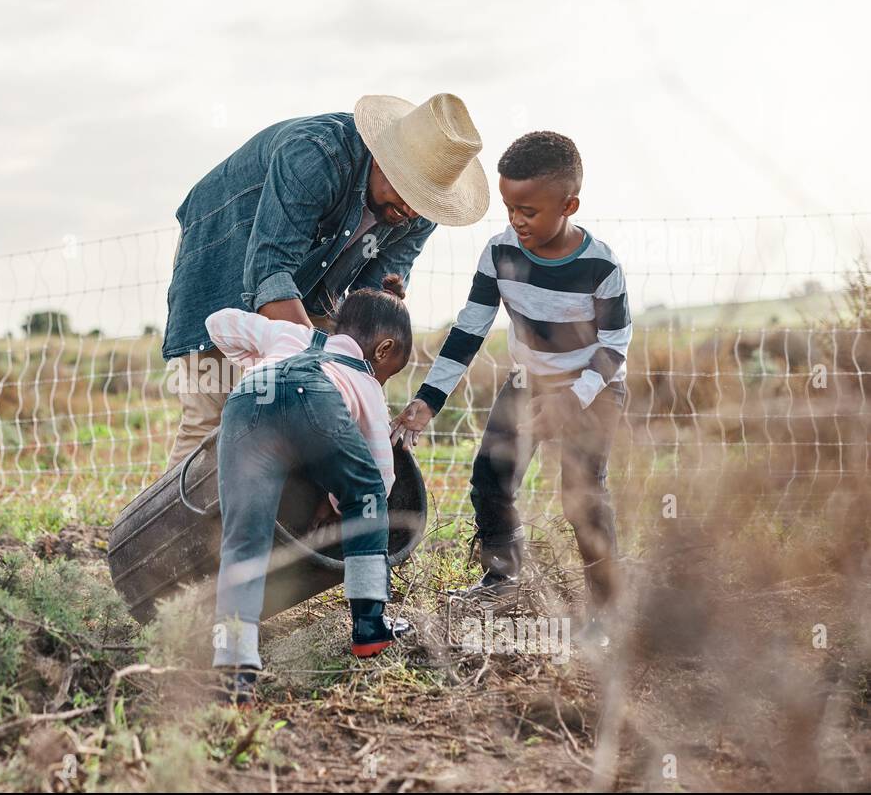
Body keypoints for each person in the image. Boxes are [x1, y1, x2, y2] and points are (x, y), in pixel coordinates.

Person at [390, 131, 632, 646]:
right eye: (508, 207)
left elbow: (615, 346)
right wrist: (428, 401)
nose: (516, 220)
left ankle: (607, 610)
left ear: (569, 206)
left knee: (581, 498)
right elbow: (469, 330)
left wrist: (571, 400)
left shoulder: (602, 265)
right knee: (490, 478)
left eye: (529, 210)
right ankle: (504, 576)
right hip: (529, 381)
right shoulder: (499, 253)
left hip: (593, 386)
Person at [161, 93, 489, 470]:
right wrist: (322, 371)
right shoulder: (316, 155)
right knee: (212, 418)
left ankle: (275, 527)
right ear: (384, 159)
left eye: (425, 199)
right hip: (222, 257)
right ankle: (160, 530)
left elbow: (369, 307)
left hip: (311, 289)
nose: (412, 210)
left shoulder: (417, 214)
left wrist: (358, 392)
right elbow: (270, 269)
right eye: (409, 191)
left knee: (297, 423)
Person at [205, 275, 414, 705]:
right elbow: (380, 476)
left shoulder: (291, 334)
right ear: (384, 351)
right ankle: (370, 626)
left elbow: (218, 322)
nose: (383, 380)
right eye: (389, 373)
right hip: (317, 399)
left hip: (247, 403)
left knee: (244, 537)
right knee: (369, 494)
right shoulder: (366, 385)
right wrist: (339, 500)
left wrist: (253, 359)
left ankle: (234, 668)